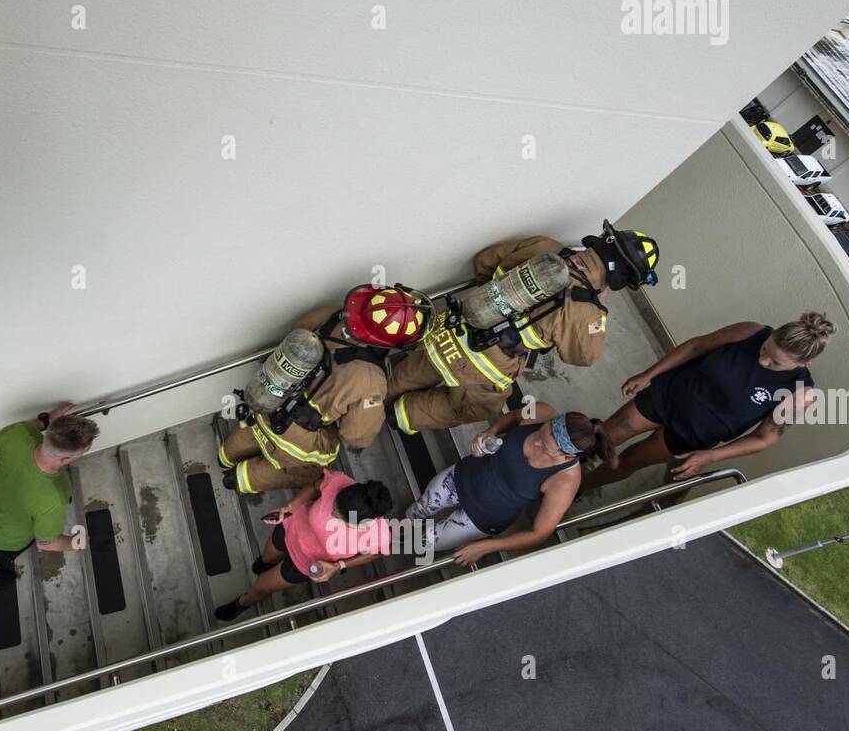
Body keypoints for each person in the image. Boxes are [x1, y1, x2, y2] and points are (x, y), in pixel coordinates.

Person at [386, 220, 660, 436]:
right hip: (482, 367)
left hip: (451, 327)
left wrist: (493, 298)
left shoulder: (547, 246)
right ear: (623, 278)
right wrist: (598, 307)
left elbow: (484, 260)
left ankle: (371, 401)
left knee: (410, 372)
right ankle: (403, 415)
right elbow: (584, 356)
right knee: (479, 407)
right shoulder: (586, 312)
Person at [582, 314, 830, 492]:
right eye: (765, 350)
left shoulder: (801, 393)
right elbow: (695, 347)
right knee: (603, 436)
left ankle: (580, 488)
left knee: (627, 460)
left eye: (776, 363)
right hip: (670, 394)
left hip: (694, 433)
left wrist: (712, 456)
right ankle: (558, 466)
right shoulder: (751, 331)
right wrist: (649, 374)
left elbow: (764, 438)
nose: (763, 361)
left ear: (804, 364)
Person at [219, 286, 430, 494]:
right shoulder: (372, 381)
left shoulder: (332, 314)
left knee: (250, 430)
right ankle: (241, 479)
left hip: (269, 395)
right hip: (294, 434)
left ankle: (225, 456)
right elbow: (355, 435)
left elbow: (299, 328)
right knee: (313, 467)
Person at [405, 401, 616, 566]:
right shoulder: (542, 410)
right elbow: (515, 416)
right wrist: (491, 431)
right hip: (461, 477)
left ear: (567, 455)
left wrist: (485, 547)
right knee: (419, 508)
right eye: (543, 430)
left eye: (544, 446)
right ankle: (396, 530)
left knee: (424, 543)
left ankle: (397, 546)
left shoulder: (566, 481)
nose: (536, 441)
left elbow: (539, 533)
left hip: (480, 519)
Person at [215, 472, 394, 619]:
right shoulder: (339, 481)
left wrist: (339, 566)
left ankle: (242, 603)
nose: (331, 512)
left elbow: (376, 552)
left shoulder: (379, 535)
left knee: (261, 586)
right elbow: (314, 487)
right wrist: (288, 507)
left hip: (306, 563)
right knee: (266, 558)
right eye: (334, 506)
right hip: (291, 528)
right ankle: (265, 563)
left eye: (338, 516)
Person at [0, 405, 100, 585]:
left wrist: (45, 420)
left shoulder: (18, 434)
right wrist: (77, 542)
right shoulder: (54, 497)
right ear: (65, 459)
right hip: (5, 538)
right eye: (84, 451)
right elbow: (46, 543)